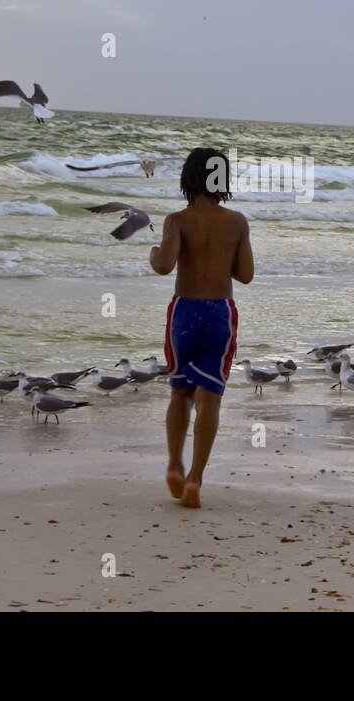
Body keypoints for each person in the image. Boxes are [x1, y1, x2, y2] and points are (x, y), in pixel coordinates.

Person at [150, 147, 254, 508]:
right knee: (210, 398)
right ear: (222, 180)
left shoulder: (177, 220)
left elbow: (164, 266)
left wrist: (152, 252)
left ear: (188, 178)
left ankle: (175, 465)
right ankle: (196, 478)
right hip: (220, 313)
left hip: (184, 313)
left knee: (180, 392)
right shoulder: (237, 221)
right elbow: (246, 275)